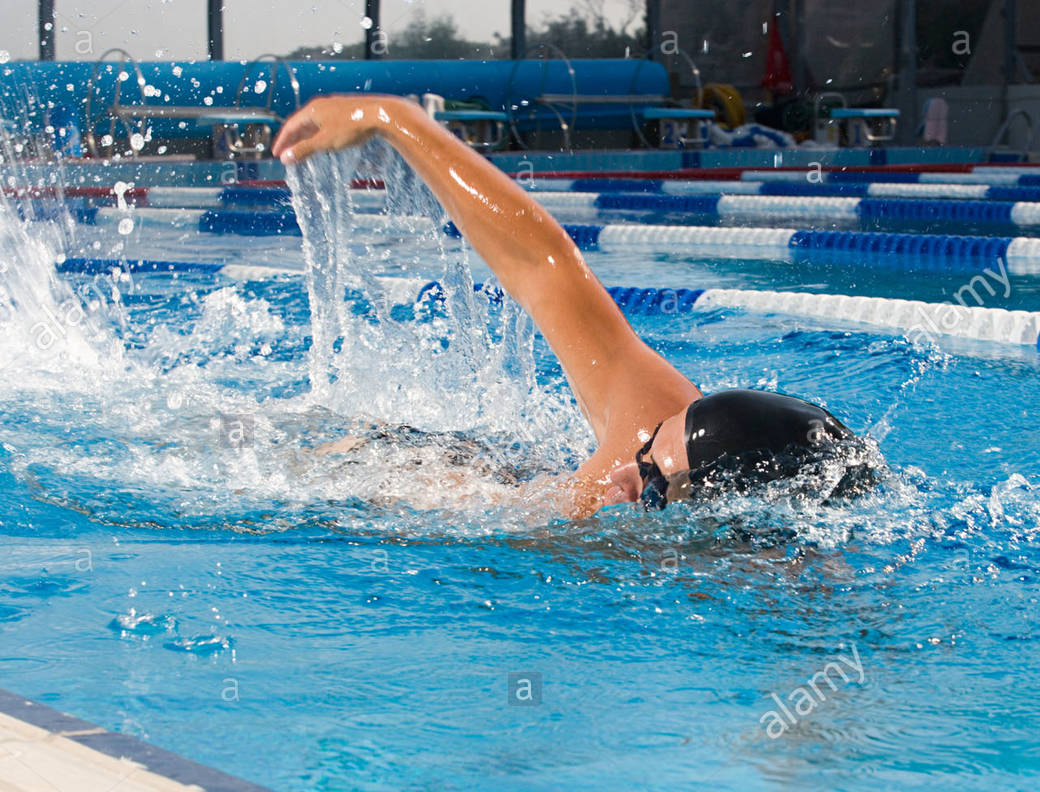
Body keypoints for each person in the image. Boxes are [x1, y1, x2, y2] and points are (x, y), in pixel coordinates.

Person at [272, 95, 879, 520]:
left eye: (652, 487)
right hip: (404, 461)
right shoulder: (654, 428)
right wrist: (396, 120)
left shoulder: (730, 560)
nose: (619, 474)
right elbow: (542, 264)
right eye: (645, 455)